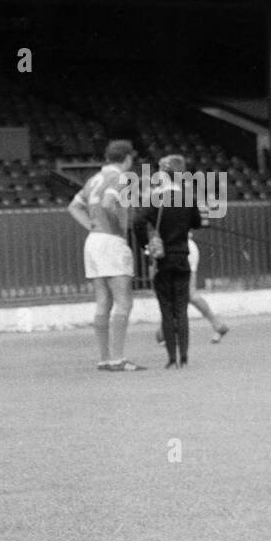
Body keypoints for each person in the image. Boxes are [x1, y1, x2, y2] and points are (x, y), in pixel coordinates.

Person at [68, 135, 145, 372]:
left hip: (93, 241)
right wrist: (117, 226)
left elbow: (74, 206)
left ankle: (104, 358)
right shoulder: (122, 177)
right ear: (128, 158)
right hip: (111, 241)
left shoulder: (95, 178)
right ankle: (118, 358)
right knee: (123, 302)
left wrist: (91, 225)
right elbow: (110, 203)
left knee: (103, 302)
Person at [151, 156, 229, 346]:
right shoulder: (173, 192)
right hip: (176, 247)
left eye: (163, 167)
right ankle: (215, 325)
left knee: (185, 294)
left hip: (178, 248)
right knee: (180, 293)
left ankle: (172, 330)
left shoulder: (167, 193)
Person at [140, 161, 203, 367]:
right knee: (181, 308)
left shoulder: (155, 200)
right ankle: (184, 356)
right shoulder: (187, 199)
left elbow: (137, 222)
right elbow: (197, 223)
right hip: (182, 257)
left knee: (166, 310)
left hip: (162, 259)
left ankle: (171, 357)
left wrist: (146, 245)